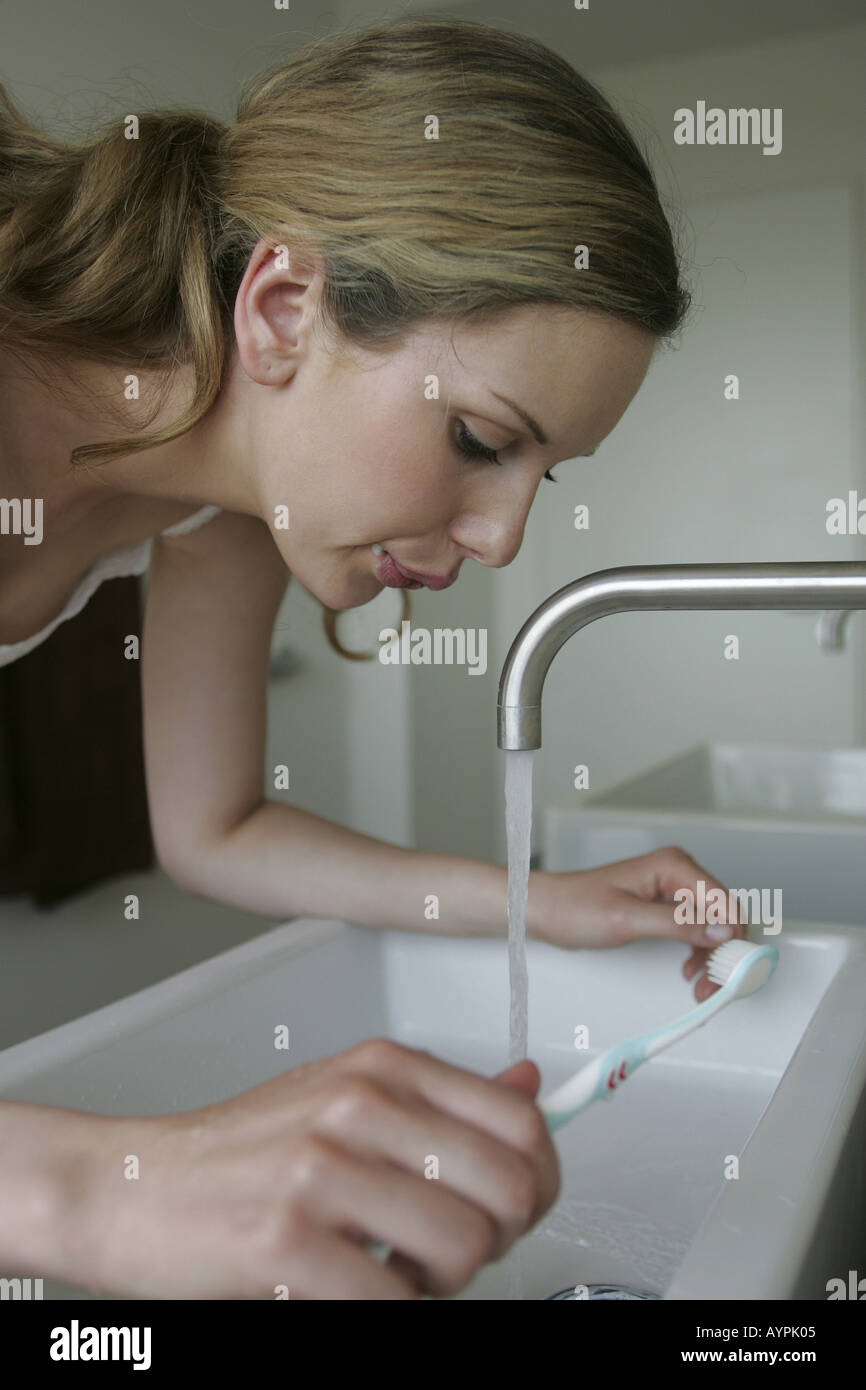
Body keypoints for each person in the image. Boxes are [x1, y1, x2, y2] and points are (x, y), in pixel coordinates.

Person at [0, 17, 740, 1298]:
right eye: (475, 438)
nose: (506, 537)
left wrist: (540, 906)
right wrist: (85, 1191)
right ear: (283, 307)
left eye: (541, 471)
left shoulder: (224, 511)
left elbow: (213, 829)